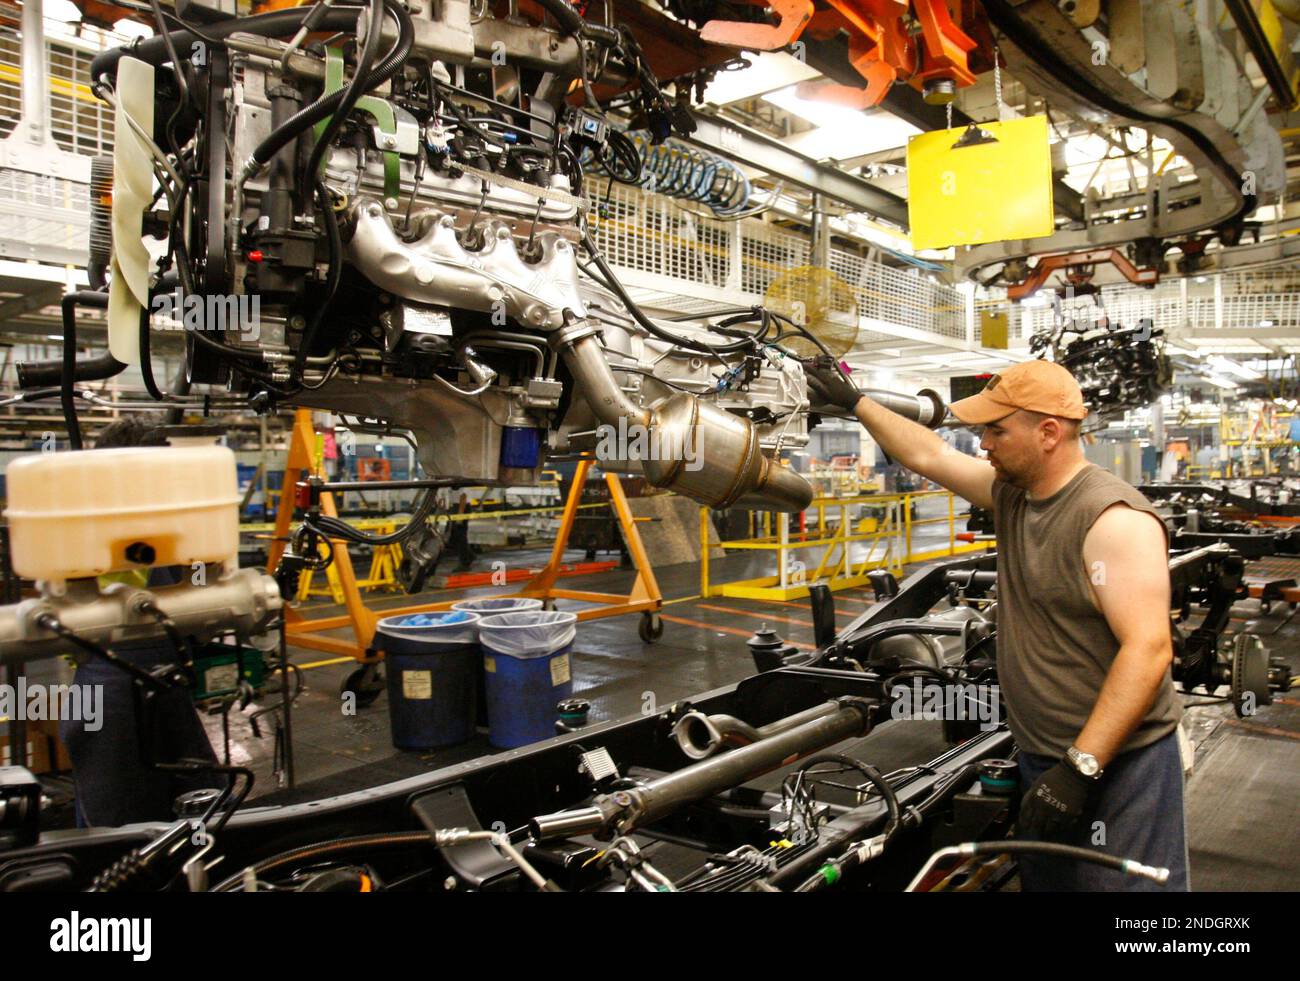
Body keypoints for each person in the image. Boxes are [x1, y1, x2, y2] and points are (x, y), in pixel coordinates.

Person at [806, 358, 1187, 891]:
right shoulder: (1014, 496)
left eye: (996, 429)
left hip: (1119, 765)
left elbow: (1147, 651)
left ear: (1048, 432)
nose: (983, 443)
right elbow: (929, 452)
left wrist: (1080, 769)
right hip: (1044, 752)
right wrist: (855, 402)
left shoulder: (1114, 521)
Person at [57, 417, 219, 827]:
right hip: (110, 692)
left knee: (200, 807)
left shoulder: (152, 525)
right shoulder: (97, 527)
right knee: (116, 834)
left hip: (159, 682)